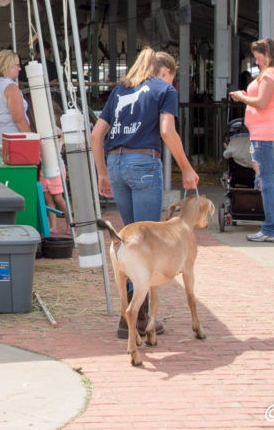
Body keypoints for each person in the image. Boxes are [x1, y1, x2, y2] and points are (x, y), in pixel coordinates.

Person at [90, 47, 199, 338]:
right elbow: (167, 131)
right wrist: (186, 168)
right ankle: (139, 318)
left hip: (116, 163)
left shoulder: (120, 91)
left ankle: (128, 316)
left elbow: (96, 135)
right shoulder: (165, 90)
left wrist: (102, 172)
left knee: (130, 238)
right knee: (147, 241)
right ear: (166, 72)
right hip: (144, 163)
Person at [229, 37, 274, 243]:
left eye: (259, 57)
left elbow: (262, 102)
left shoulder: (270, 75)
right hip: (273, 133)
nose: (257, 62)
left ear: (269, 55)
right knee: (267, 182)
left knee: (265, 182)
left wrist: (241, 97)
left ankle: (272, 229)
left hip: (265, 135)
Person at [40, 103, 70, 236]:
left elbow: (52, 148)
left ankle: (70, 223)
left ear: (56, 116)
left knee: (58, 198)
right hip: (44, 167)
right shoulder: (43, 131)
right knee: (48, 199)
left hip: (55, 167)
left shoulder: (57, 132)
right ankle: (53, 226)